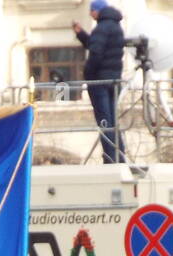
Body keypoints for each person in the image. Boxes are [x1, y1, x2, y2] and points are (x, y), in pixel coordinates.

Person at [72, 0, 125, 164]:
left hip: (100, 82)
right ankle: (120, 155)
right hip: (114, 80)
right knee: (113, 120)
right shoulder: (116, 27)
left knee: (104, 120)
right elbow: (98, 45)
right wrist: (82, 35)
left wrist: (87, 75)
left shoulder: (101, 28)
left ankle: (110, 157)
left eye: (91, 10)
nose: (90, 14)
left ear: (97, 11)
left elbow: (96, 53)